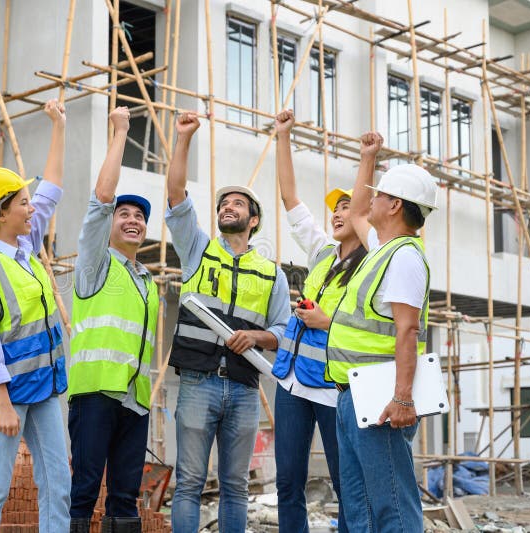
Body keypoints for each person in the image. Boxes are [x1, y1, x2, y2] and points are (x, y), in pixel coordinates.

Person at [165, 112, 290, 533]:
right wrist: (183, 140)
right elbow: (176, 196)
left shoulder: (272, 273)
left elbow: (284, 331)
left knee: (236, 486)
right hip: (199, 382)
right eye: (222, 203)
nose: (226, 207)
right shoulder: (198, 250)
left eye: (236, 203)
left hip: (243, 389)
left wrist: (256, 336)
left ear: (252, 219)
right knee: (189, 484)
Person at [0, 99, 70, 532]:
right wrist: (3, 404)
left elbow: (53, 187)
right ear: (2, 212)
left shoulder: (25, 251)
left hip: (42, 389)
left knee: (57, 484)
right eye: (24, 203)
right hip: (4, 398)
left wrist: (59, 126)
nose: (33, 208)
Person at [326, 132, 438, 533]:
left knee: (391, 506)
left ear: (394, 205)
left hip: (382, 401)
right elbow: (358, 209)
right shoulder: (382, 248)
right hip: (352, 396)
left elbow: (407, 330)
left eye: (379, 195)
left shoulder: (405, 256)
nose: (369, 201)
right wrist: (367, 158)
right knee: (360, 511)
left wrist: (402, 398)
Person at [271, 110, 365, 533]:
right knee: (288, 482)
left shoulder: (374, 265)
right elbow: (290, 197)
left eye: (347, 207)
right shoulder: (324, 252)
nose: (338, 213)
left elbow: (373, 328)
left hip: (333, 389)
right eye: (336, 209)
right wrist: (283, 136)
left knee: (348, 484)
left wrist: (327, 321)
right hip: (291, 382)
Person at [67, 106, 157, 533]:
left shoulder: (148, 281)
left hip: (134, 399)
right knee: (84, 489)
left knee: (125, 495)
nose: (133, 220)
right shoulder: (95, 264)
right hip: (95, 392)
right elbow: (101, 198)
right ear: (109, 225)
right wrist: (120, 131)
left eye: (140, 217)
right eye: (125, 214)